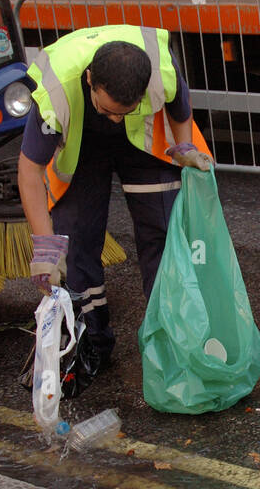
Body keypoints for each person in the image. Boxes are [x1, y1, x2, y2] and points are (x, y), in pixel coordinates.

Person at [18, 24, 213, 394]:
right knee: (76, 243)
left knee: (163, 234)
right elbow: (29, 173)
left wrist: (184, 146)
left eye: (126, 110)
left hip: (142, 148)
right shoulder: (56, 91)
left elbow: (179, 108)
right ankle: (93, 343)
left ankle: (170, 341)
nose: (116, 118)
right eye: (108, 110)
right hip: (82, 146)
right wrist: (45, 247)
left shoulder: (160, 68)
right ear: (90, 80)